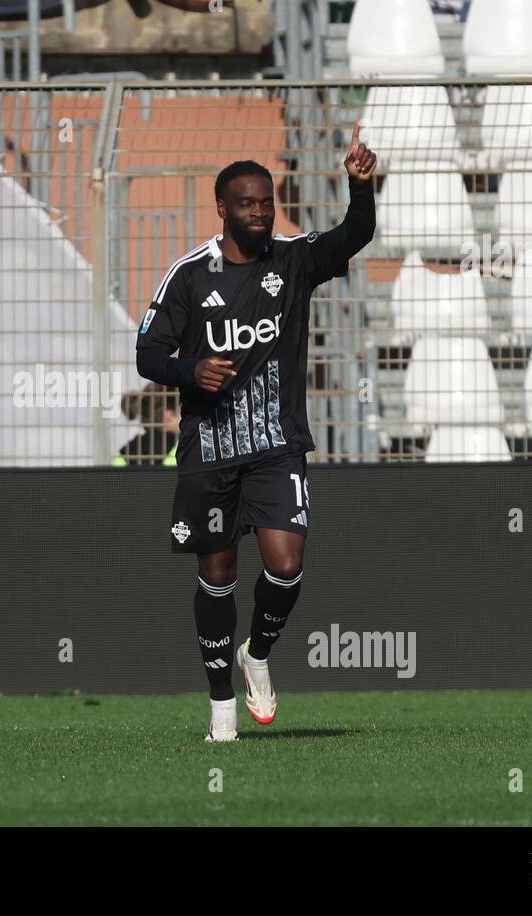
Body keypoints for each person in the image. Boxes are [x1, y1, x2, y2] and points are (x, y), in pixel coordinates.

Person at [135, 125, 376, 741]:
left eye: (267, 202)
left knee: (287, 561)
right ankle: (220, 702)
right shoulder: (190, 275)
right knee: (217, 575)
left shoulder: (293, 261)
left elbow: (355, 235)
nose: (261, 212)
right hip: (210, 450)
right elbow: (147, 353)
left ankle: (258, 653)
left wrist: (360, 187)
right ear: (222, 209)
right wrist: (191, 368)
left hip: (276, 445)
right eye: (248, 203)